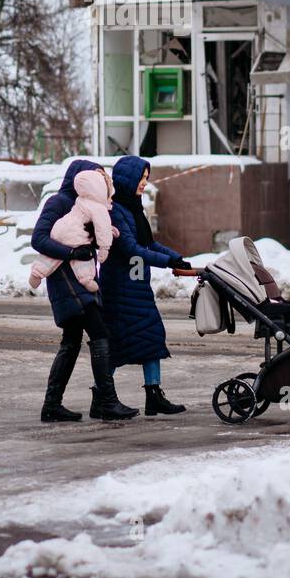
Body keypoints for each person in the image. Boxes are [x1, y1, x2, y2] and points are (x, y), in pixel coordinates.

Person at [33, 159, 138, 423]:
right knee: (100, 333)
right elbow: (39, 239)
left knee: (71, 342)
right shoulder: (58, 203)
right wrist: (72, 252)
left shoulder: (87, 204)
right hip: (66, 281)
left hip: (80, 280)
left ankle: (52, 405)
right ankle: (107, 402)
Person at [99, 155, 190, 418]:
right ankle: (101, 396)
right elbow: (130, 249)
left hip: (137, 286)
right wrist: (165, 262)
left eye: (146, 178)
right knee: (117, 343)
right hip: (119, 286)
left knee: (149, 337)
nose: (144, 183)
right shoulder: (115, 210)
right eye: (141, 178)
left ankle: (154, 395)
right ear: (127, 179)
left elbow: (147, 244)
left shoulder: (134, 208)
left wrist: (174, 257)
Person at [28, 168, 116, 289]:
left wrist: (109, 229)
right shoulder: (98, 208)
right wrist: (104, 248)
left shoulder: (80, 200)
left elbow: (92, 221)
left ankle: (36, 273)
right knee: (84, 255)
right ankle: (86, 279)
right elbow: (102, 227)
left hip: (60, 228)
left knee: (51, 256)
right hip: (76, 238)